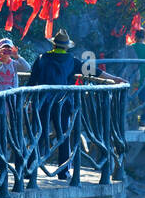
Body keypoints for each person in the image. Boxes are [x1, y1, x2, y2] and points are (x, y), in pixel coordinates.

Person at [26, 29, 124, 180]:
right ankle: (63, 172)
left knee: (38, 134)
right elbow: (94, 71)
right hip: (63, 103)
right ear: (67, 46)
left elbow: (32, 82)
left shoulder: (41, 58)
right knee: (64, 135)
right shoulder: (72, 61)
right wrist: (115, 78)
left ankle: (29, 169)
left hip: (42, 102)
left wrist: (29, 100)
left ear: (53, 45)